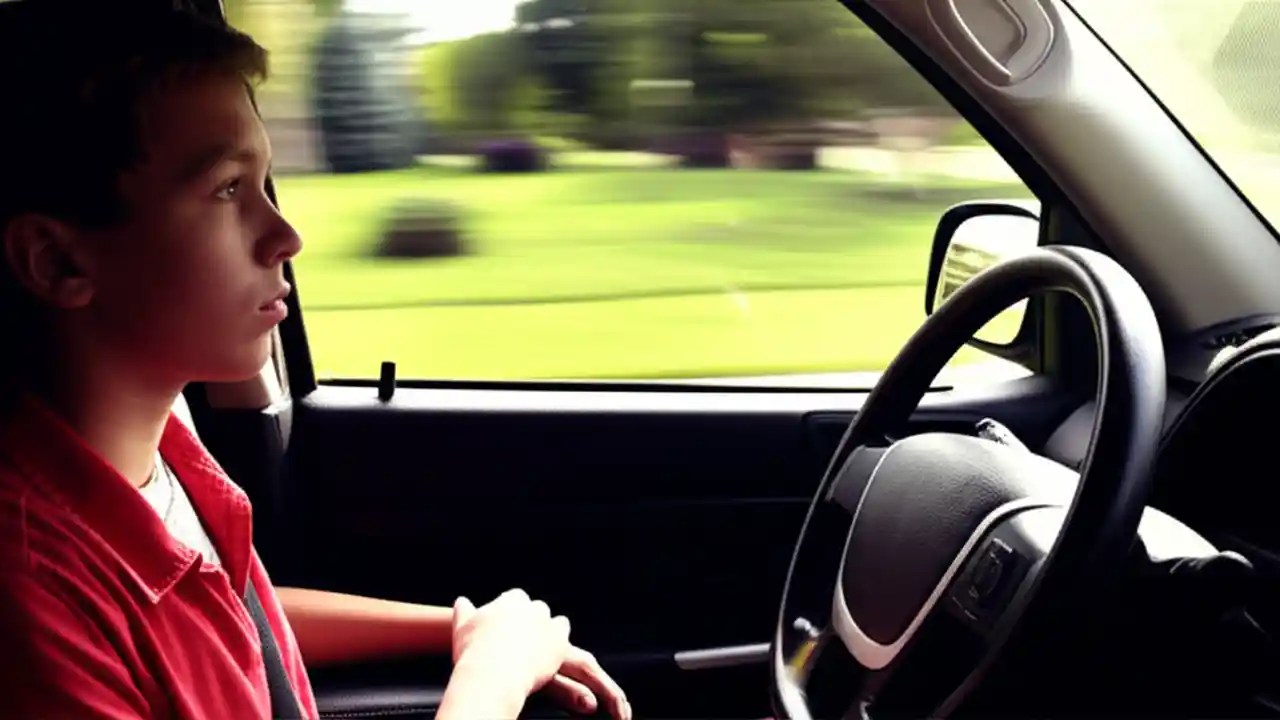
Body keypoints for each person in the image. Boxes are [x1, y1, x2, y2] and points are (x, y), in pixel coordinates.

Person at [0, 3, 630, 719]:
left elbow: (226, 618)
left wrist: (463, 626)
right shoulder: (29, 591)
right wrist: (489, 683)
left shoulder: (156, 456)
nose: (286, 235)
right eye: (228, 190)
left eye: (265, 184)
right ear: (56, 261)